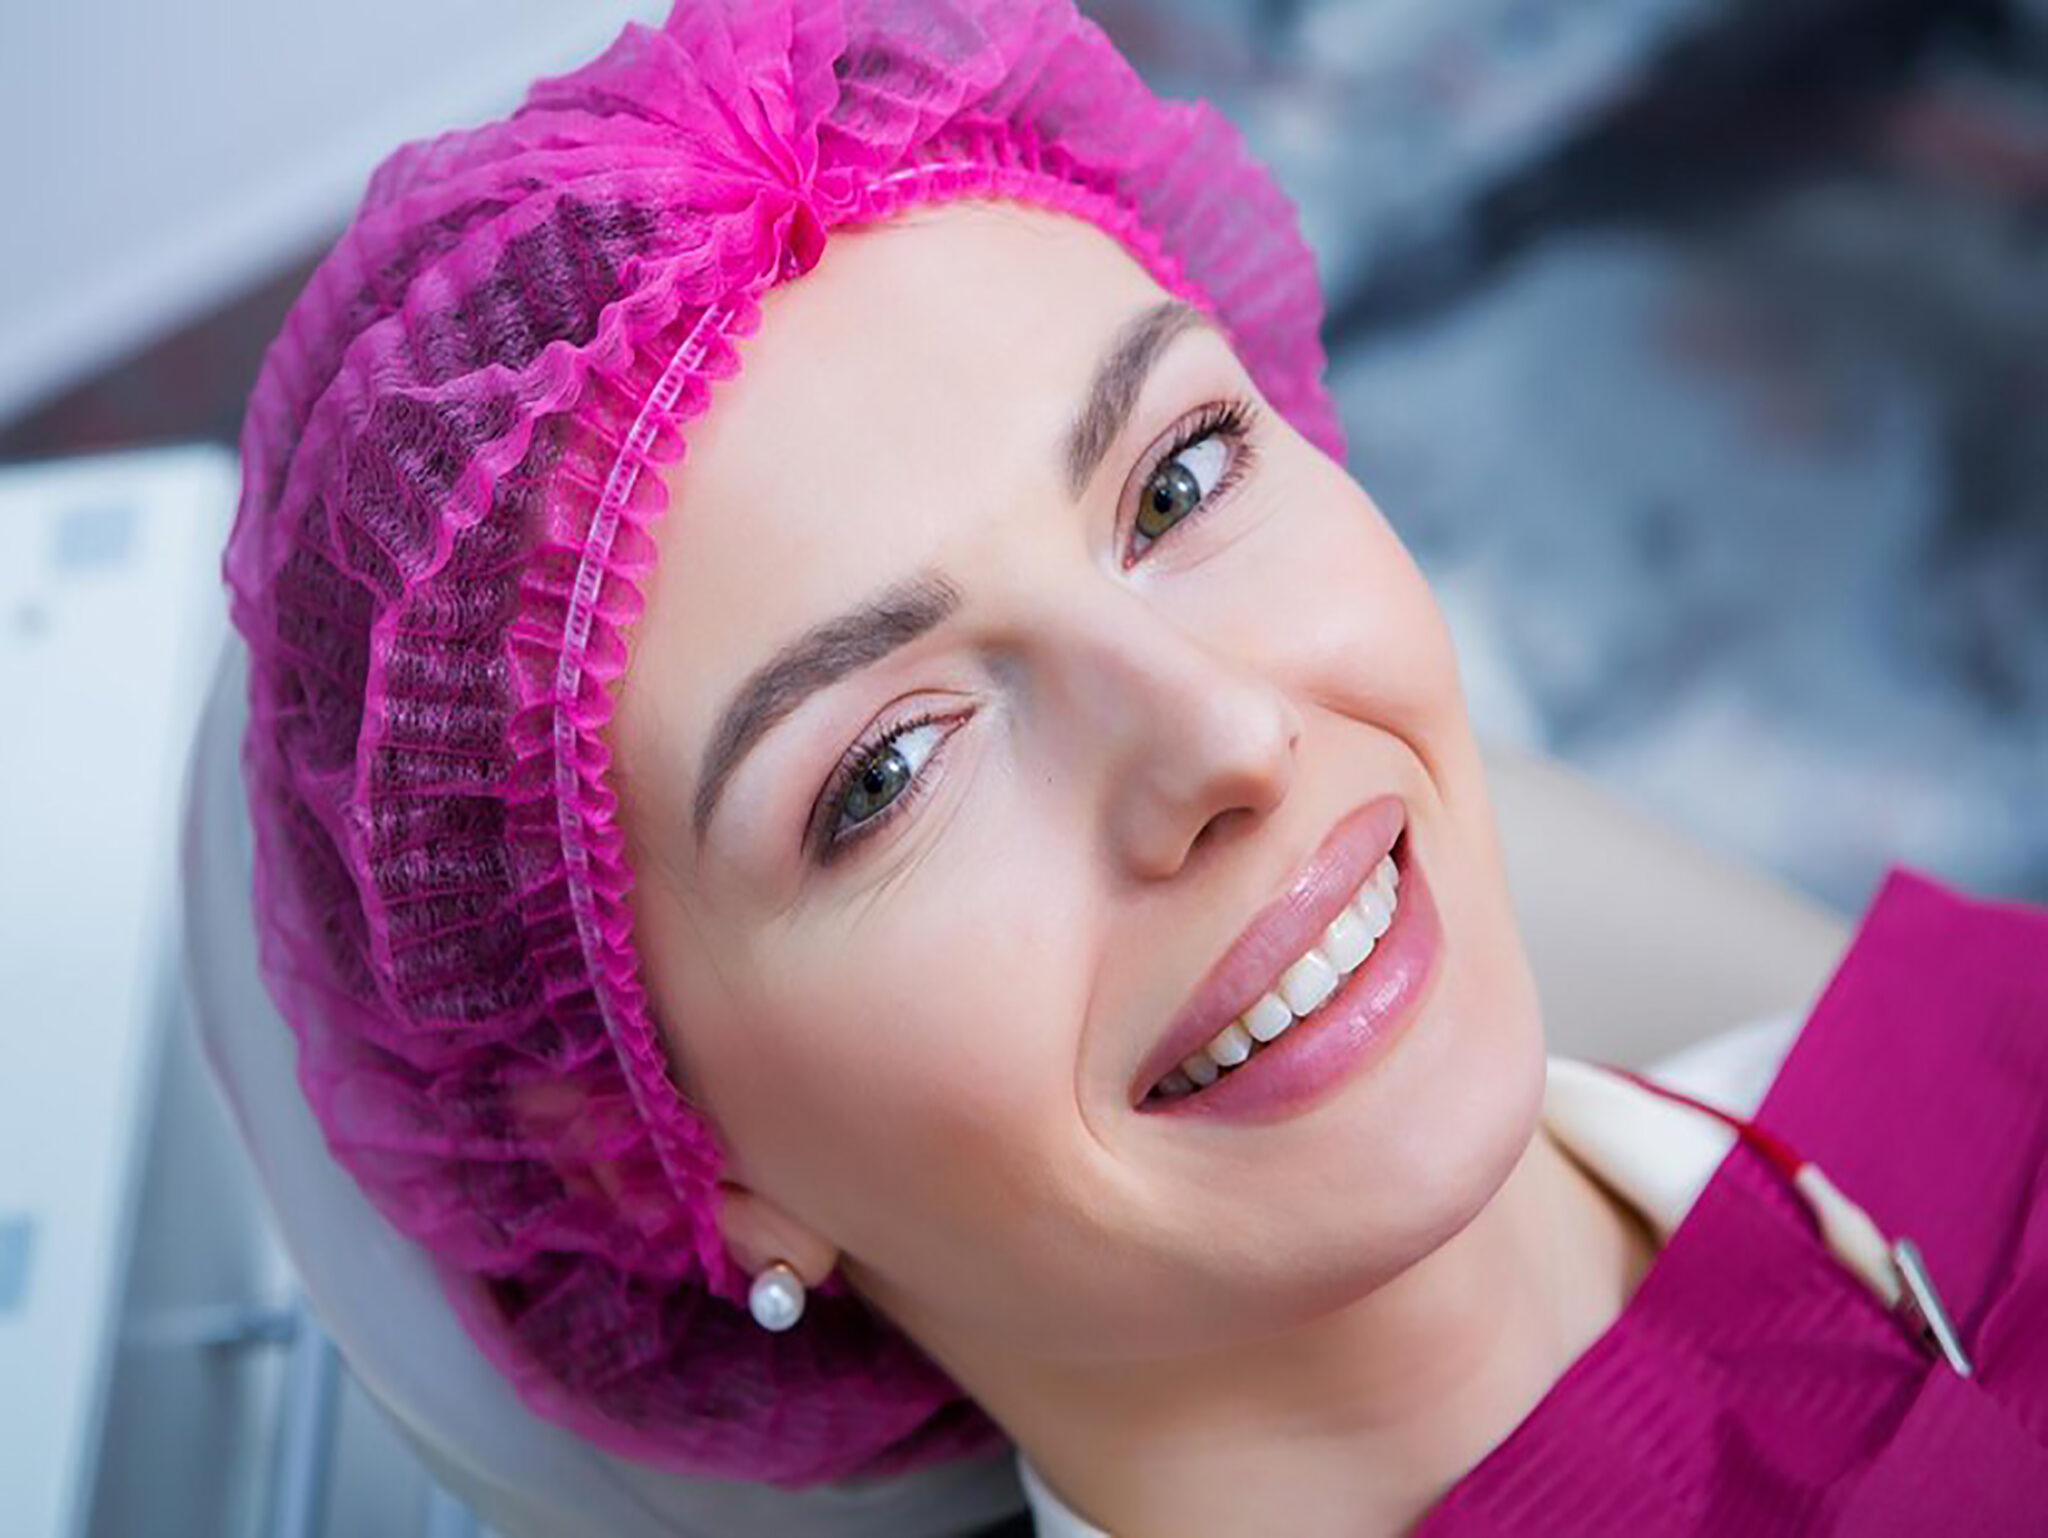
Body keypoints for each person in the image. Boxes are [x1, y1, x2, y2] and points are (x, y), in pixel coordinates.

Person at [222, 0, 2048, 1532]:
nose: (1224, 737)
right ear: (643, 1163)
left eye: (1176, 480)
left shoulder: (1990, 1082)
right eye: (885, 770)